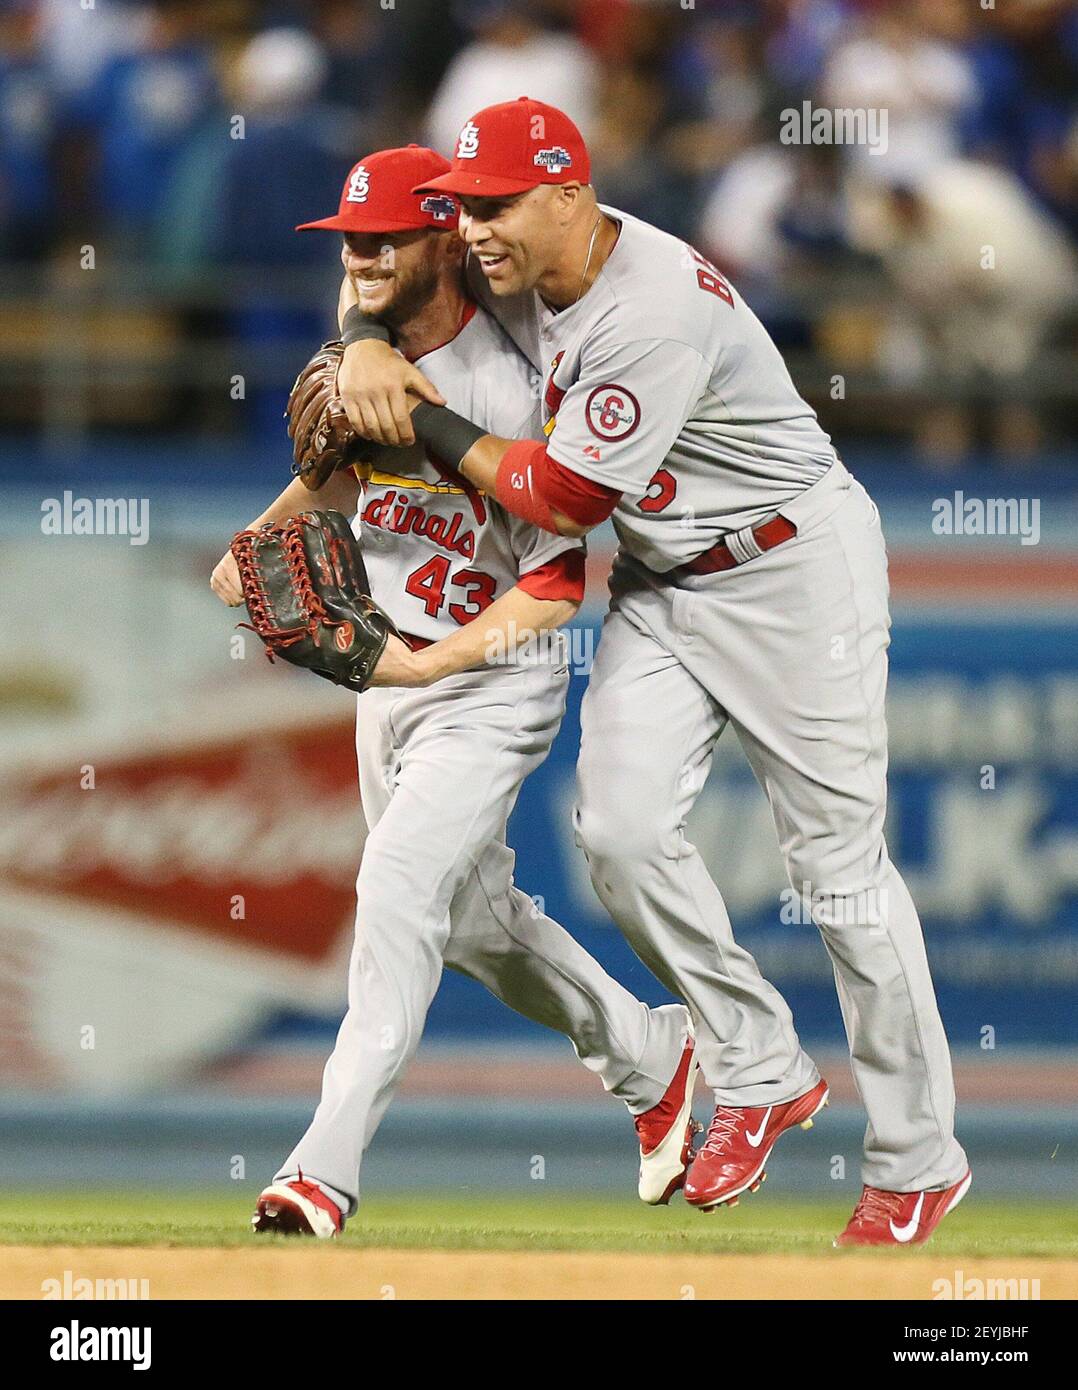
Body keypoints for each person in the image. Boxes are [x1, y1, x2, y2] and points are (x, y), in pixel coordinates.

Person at [329, 100, 971, 1247]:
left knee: (837, 872)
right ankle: (760, 1065)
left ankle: (917, 1155)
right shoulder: (519, 261)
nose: (474, 229)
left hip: (792, 571)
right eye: (465, 207)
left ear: (571, 192)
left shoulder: (650, 311)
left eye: (499, 204)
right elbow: (388, 292)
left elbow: (559, 502)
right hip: (670, 581)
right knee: (618, 836)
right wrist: (367, 343)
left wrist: (416, 412)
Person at [210, 145, 695, 1237]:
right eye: (351, 242)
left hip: (491, 678)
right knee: (478, 926)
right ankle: (647, 1051)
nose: (363, 256)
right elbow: (312, 500)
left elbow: (558, 581)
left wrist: (436, 663)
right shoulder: (360, 365)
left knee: (392, 899)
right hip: (393, 683)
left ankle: (320, 1169)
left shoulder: (514, 381)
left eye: (386, 236)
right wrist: (258, 543)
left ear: (445, 239)